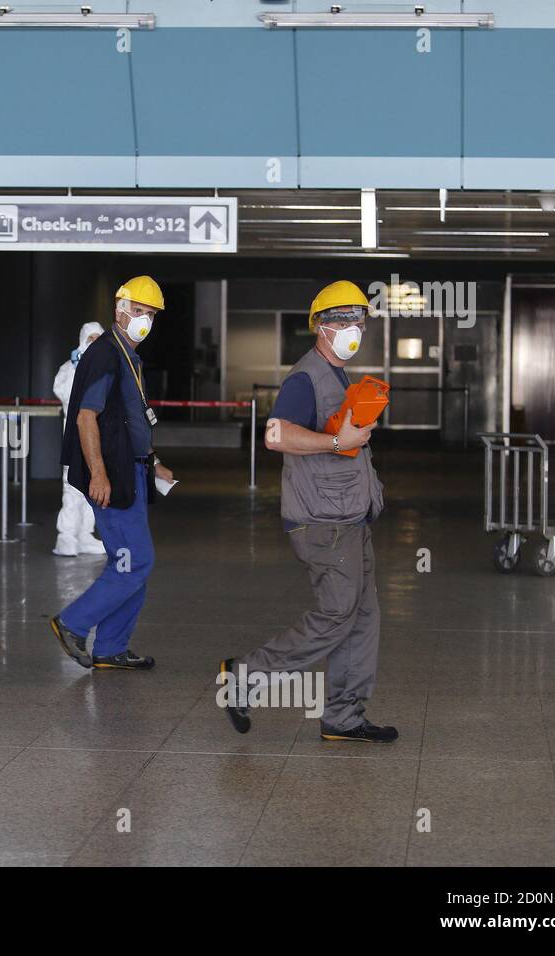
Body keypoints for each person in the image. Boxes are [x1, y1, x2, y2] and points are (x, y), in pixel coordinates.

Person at [218, 280, 397, 743]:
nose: (352, 329)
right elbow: (275, 436)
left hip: (348, 519)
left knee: (362, 617)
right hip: (322, 522)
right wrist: (339, 441)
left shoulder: (337, 375)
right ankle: (247, 676)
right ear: (319, 327)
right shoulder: (307, 376)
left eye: (358, 321)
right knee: (339, 613)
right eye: (341, 321)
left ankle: (344, 715)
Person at [49, 277, 175, 671]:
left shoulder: (127, 356)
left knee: (136, 560)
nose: (145, 320)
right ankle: (72, 623)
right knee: (133, 560)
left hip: (133, 470)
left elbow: (131, 419)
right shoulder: (105, 354)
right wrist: (98, 474)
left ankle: (111, 647)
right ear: (120, 310)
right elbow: (87, 416)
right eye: (139, 311)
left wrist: (154, 462)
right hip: (113, 474)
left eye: (151, 314)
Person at [52, 321, 106, 556]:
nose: (94, 343)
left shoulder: (107, 368)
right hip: (75, 436)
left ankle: (85, 535)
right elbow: (63, 393)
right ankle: (66, 537)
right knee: (72, 486)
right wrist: (77, 368)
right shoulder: (69, 367)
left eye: (98, 339)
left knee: (94, 487)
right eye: (90, 338)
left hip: (99, 438)